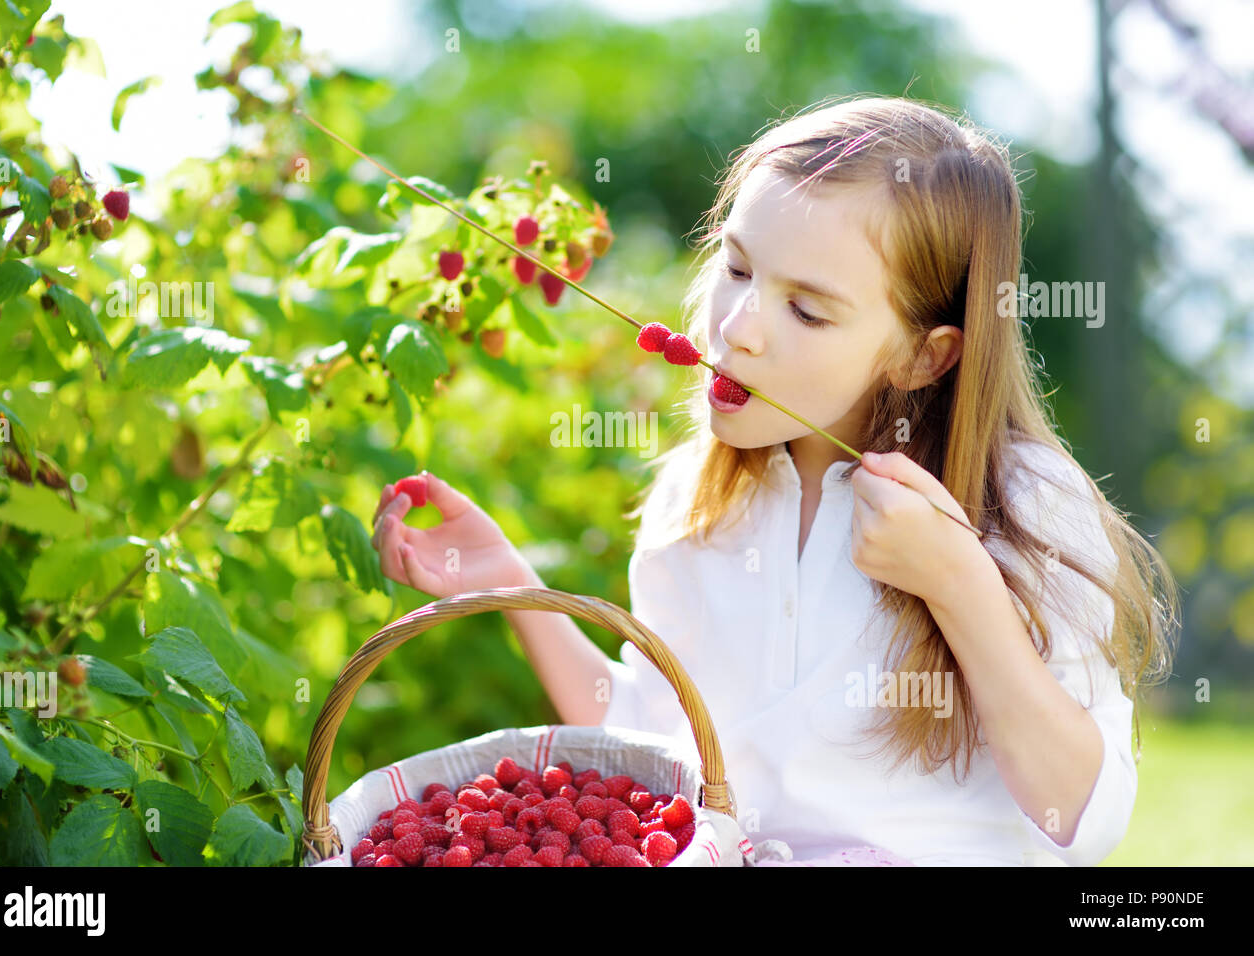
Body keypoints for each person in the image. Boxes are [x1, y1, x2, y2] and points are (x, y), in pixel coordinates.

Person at [370, 95, 1179, 867]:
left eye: (808, 311)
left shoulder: (1022, 501)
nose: (737, 327)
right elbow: (656, 740)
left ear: (923, 355)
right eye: (737, 266)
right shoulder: (695, 501)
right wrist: (513, 583)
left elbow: (1081, 819)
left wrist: (961, 586)